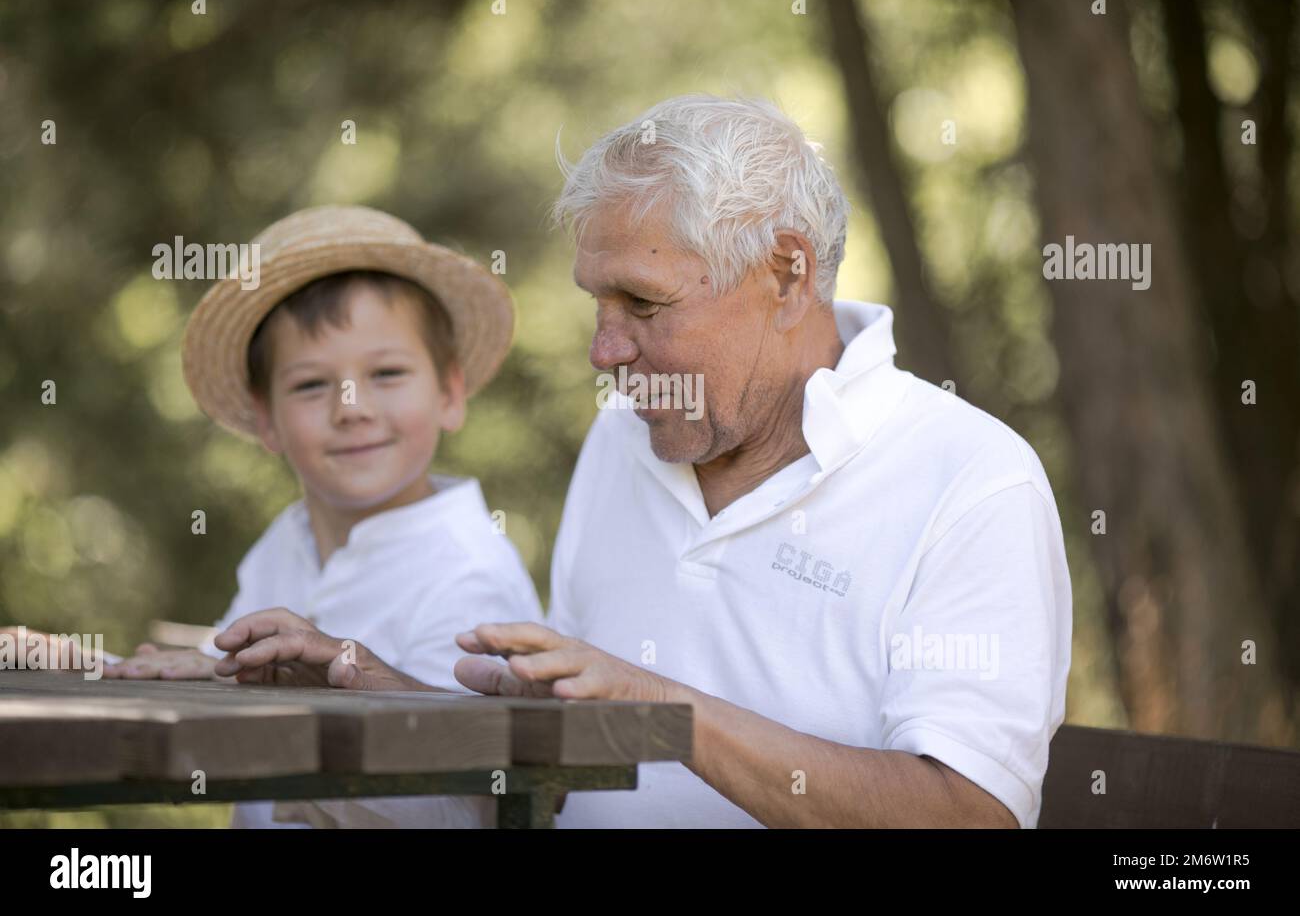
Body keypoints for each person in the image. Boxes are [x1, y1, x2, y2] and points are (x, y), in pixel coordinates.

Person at [214, 96, 1072, 828]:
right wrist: (367, 682)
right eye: (597, 302)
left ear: (786, 275)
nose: (604, 350)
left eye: (644, 303)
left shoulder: (969, 479)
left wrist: (662, 712)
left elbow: (972, 814)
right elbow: (558, 771)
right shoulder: (620, 444)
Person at [110, 205, 540, 827]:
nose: (352, 408)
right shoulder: (282, 544)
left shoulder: (469, 575)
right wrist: (134, 670)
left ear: (449, 392)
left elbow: (464, 804)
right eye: (312, 386)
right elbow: (230, 679)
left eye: (387, 373)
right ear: (265, 419)